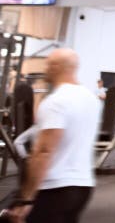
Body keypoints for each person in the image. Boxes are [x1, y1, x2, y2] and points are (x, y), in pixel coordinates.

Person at [7, 48, 100, 223]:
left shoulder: (55, 101)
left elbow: (44, 151)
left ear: (57, 67)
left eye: (48, 64)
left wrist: (26, 198)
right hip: (83, 186)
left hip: (55, 187)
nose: (45, 69)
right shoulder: (90, 98)